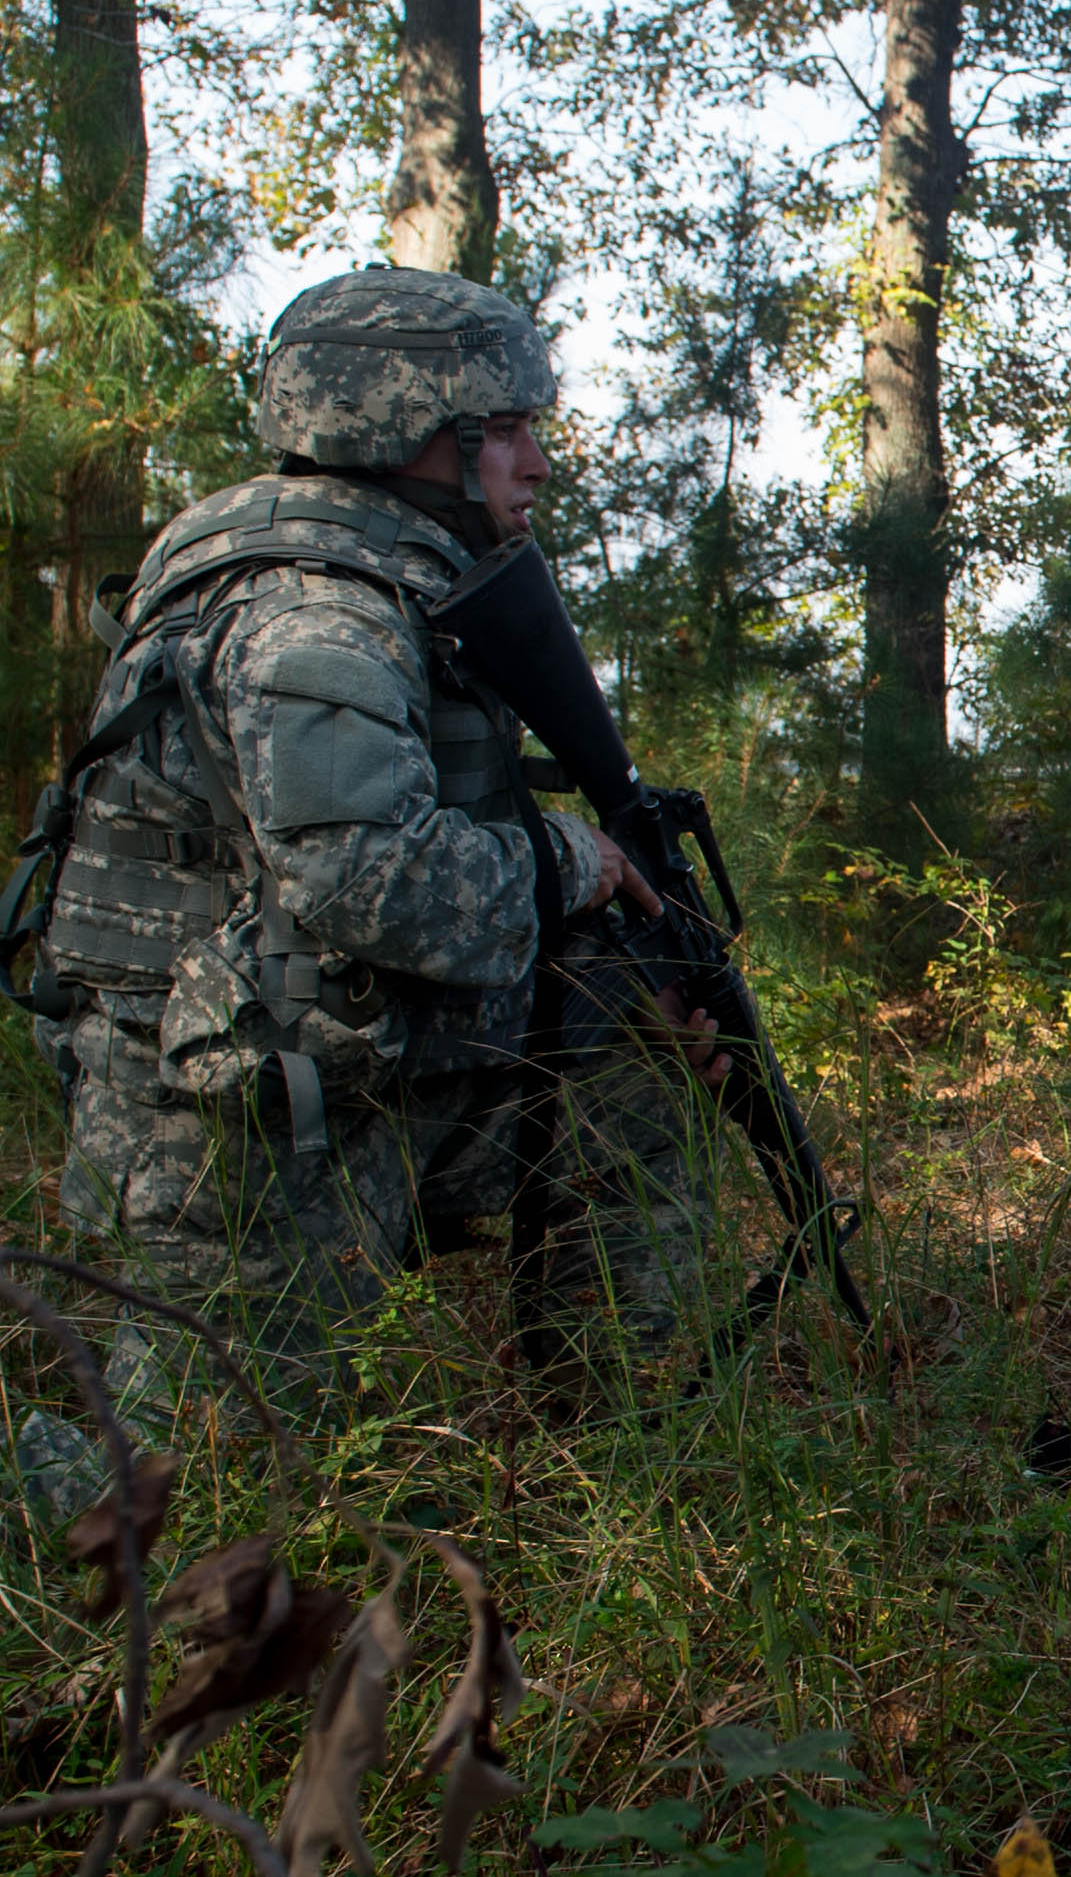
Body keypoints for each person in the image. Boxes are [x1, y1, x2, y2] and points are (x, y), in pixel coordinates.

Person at [20, 266, 726, 1432]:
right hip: (218, 1106)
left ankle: (610, 1454)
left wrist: (623, 985)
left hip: (324, 1056)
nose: (537, 463)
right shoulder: (318, 611)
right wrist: (574, 859)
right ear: (416, 434)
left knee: (634, 1070)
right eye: (504, 431)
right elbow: (366, 882)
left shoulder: (381, 578)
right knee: (191, 1491)